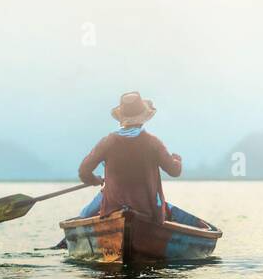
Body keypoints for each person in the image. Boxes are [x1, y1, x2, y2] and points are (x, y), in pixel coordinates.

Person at [76, 91, 184, 223]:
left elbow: (83, 172)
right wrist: (177, 160)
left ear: (122, 118)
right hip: (147, 209)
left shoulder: (107, 142)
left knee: (83, 214)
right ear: (143, 118)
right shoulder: (153, 143)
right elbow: (174, 171)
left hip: (113, 207)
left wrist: (94, 180)